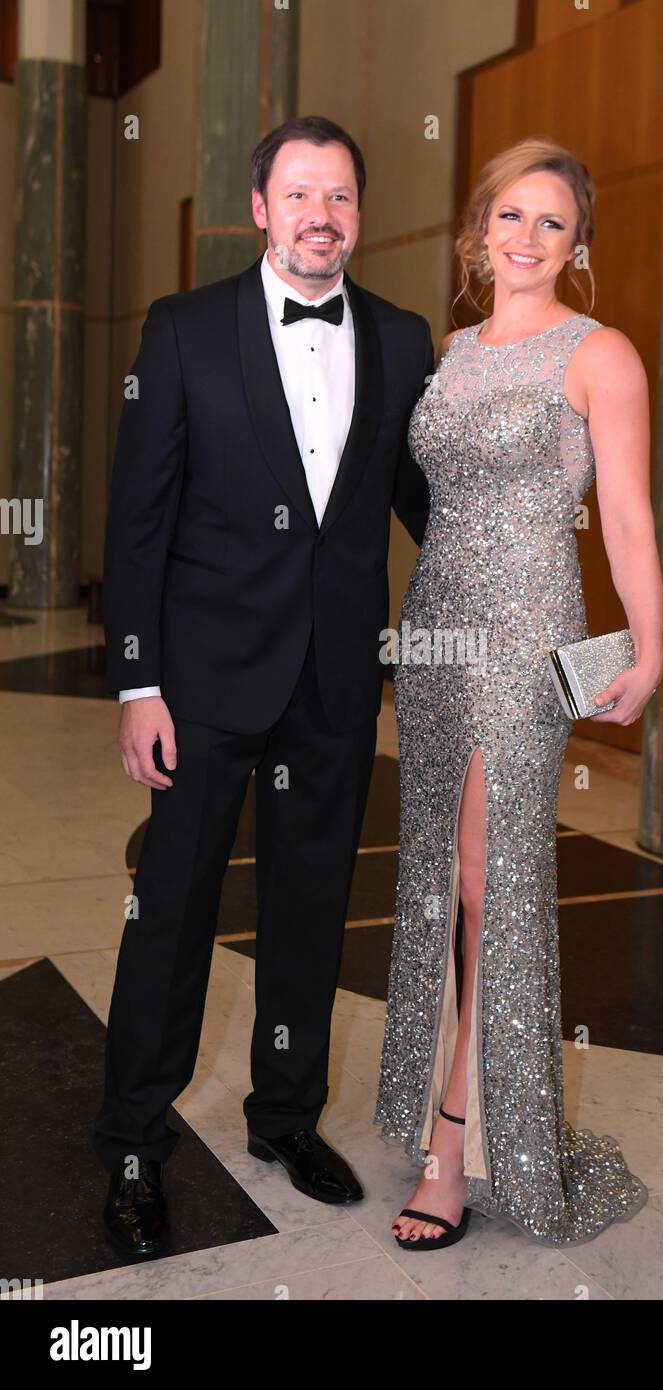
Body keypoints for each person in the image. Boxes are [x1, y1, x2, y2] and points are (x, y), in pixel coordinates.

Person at [94, 116, 433, 1257]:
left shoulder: (400, 337)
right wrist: (137, 683)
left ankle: (284, 1117)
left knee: (308, 912)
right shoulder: (183, 331)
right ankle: (136, 1142)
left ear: (358, 214)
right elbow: (135, 522)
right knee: (171, 915)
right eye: (298, 195)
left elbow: (425, 508)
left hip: (334, 683)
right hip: (197, 686)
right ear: (259, 207)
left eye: (339, 196)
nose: (319, 216)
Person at [374, 138, 663, 1249]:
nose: (527, 237)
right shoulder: (446, 353)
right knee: (440, 880)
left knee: (489, 883)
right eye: (511, 216)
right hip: (435, 634)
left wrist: (645, 644)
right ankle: (454, 1110)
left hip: (525, 639)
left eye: (552, 223)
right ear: (477, 230)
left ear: (577, 246)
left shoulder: (600, 356)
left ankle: (457, 1147)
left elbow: (627, 518)